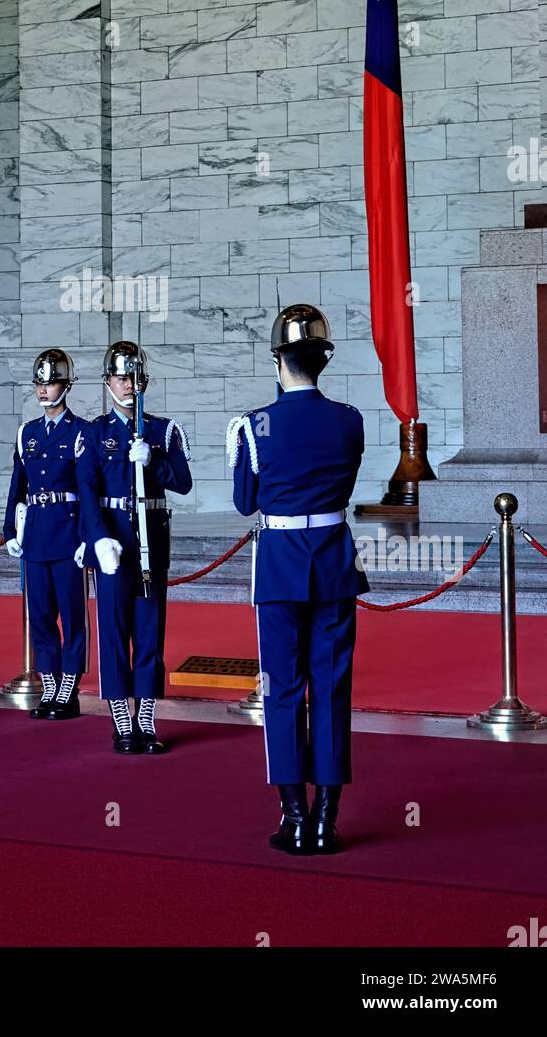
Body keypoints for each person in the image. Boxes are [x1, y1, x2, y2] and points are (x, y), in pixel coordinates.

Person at [226, 305, 367, 854]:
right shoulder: (350, 419)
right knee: (331, 688)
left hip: (282, 560)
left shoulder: (253, 424)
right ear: (322, 360)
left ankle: (294, 818)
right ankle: (327, 821)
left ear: (279, 360)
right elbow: (345, 483)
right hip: (334, 558)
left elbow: (243, 503)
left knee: (283, 688)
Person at [75, 341, 192, 754]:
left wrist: (153, 462)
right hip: (114, 543)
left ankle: (146, 717)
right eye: (120, 378)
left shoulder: (162, 430)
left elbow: (183, 482)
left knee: (148, 628)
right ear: (107, 382)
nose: (128, 385)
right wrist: (97, 539)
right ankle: (121, 718)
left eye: (134, 377)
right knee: (113, 628)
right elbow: (87, 492)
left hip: (151, 540)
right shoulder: (94, 433)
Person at [3, 349, 89, 720]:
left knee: (72, 615)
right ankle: (50, 684)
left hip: (68, 532)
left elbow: (89, 490)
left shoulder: (81, 432)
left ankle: (68, 688)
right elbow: (17, 487)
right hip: (36, 533)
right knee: (39, 613)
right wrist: (10, 529)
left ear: (65, 386)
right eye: (39, 383)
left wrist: (88, 535)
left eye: (50, 382)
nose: (42, 389)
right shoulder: (28, 433)